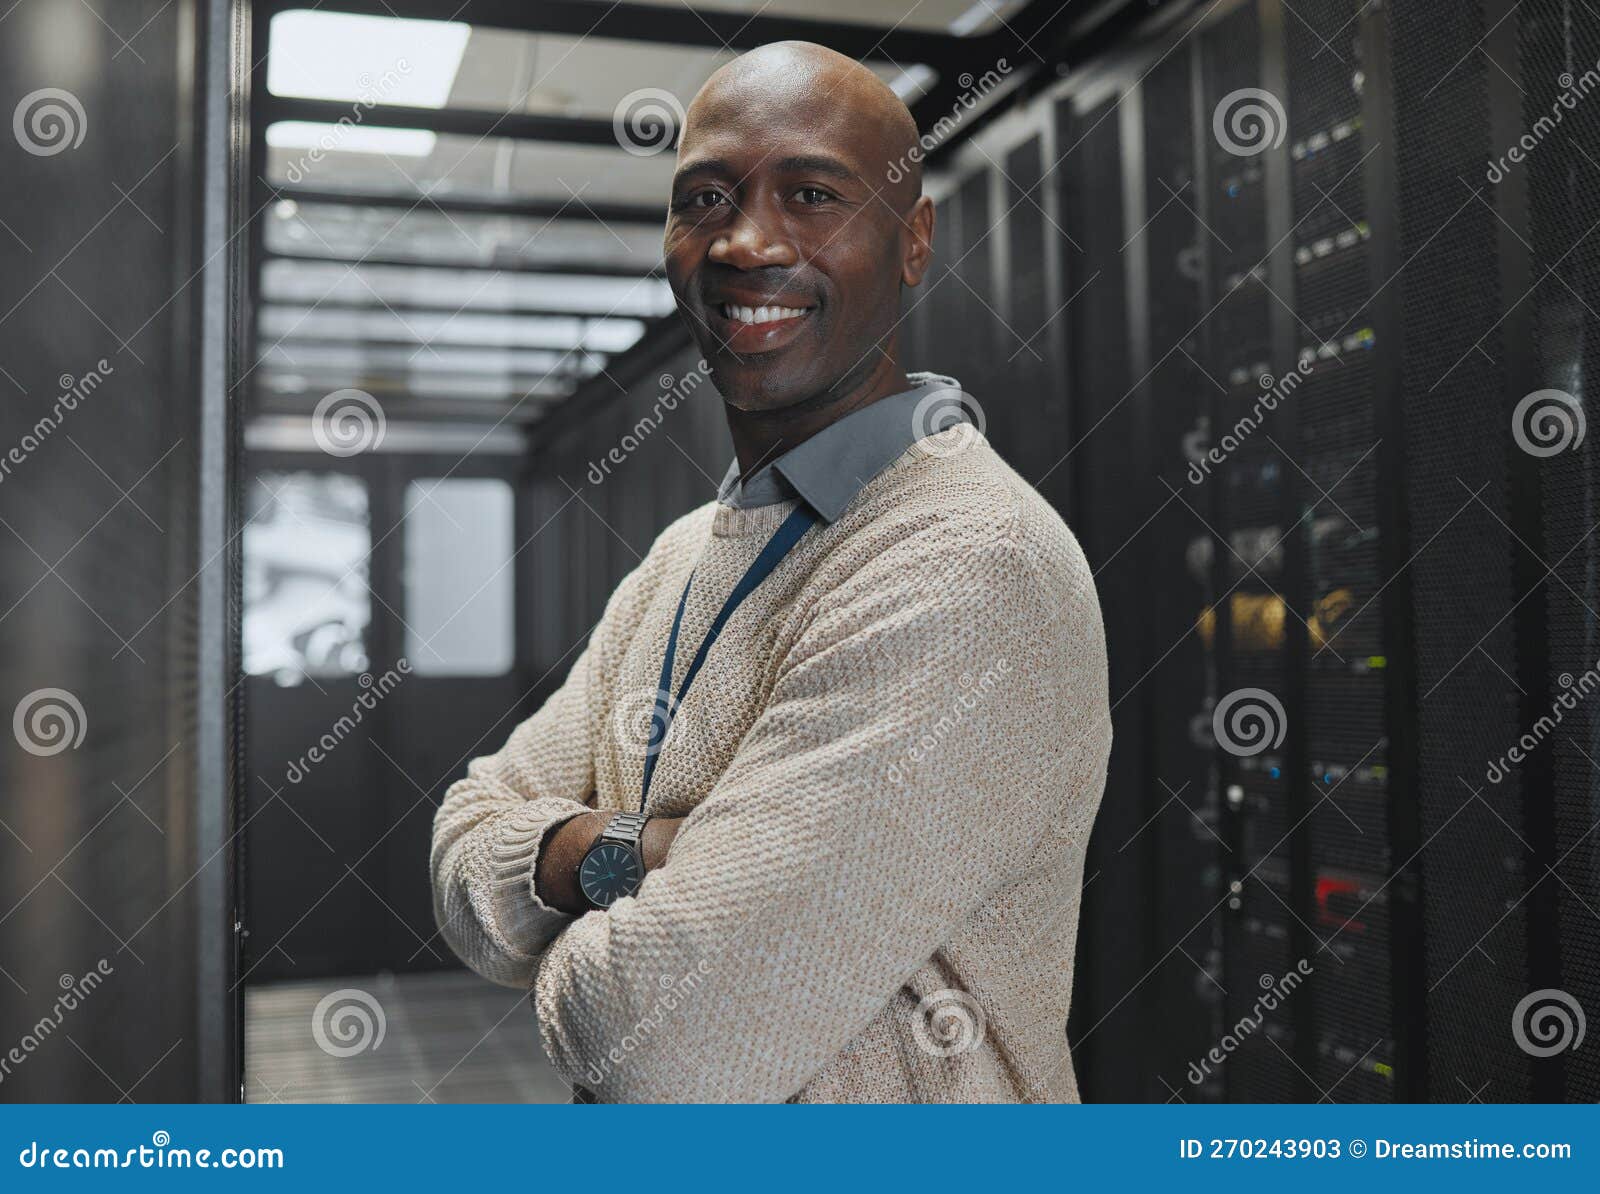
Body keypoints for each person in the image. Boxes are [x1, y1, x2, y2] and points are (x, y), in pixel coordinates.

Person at [429, 40, 1111, 1103]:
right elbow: (463, 849)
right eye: (705, 196)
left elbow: (659, 1038)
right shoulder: (685, 556)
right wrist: (630, 854)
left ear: (913, 238)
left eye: (811, 193)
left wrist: (568, 892)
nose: (746, 242)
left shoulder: (968, 565)